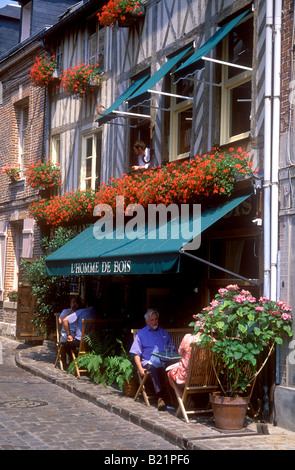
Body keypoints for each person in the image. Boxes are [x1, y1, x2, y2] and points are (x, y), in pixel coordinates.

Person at [129, 309, 174, 411]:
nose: (155, 322)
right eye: (152, 320)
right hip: (149, 362)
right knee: (153, 368)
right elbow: (136, 353)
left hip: (164, 360)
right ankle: (160, 397)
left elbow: (171, 347)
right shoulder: (141, 334)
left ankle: (176, 399)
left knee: (174, 368)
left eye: (156, 319)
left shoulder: (163, 332)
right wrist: (140, 368)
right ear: (147, 321)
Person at [167, 321, 204, 389]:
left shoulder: (188, 338)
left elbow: (180, 353)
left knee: (169, 373)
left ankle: (182, 397)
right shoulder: (211, 340)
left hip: (187, 376)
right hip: (205, 377)